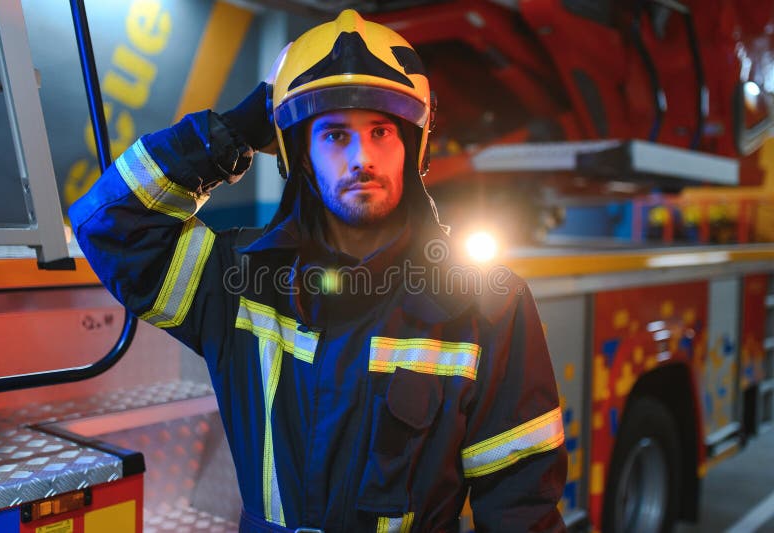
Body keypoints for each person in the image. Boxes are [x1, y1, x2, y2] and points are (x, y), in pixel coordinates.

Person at [70, 9, 567, 532]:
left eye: (381, 131)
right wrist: (238, 130)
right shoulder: (239, 280)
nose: (362, 158)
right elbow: (111, 223)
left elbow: (521, 508)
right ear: (299, 154)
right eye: (334, 135)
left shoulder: (488, 303)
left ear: (412, 149)